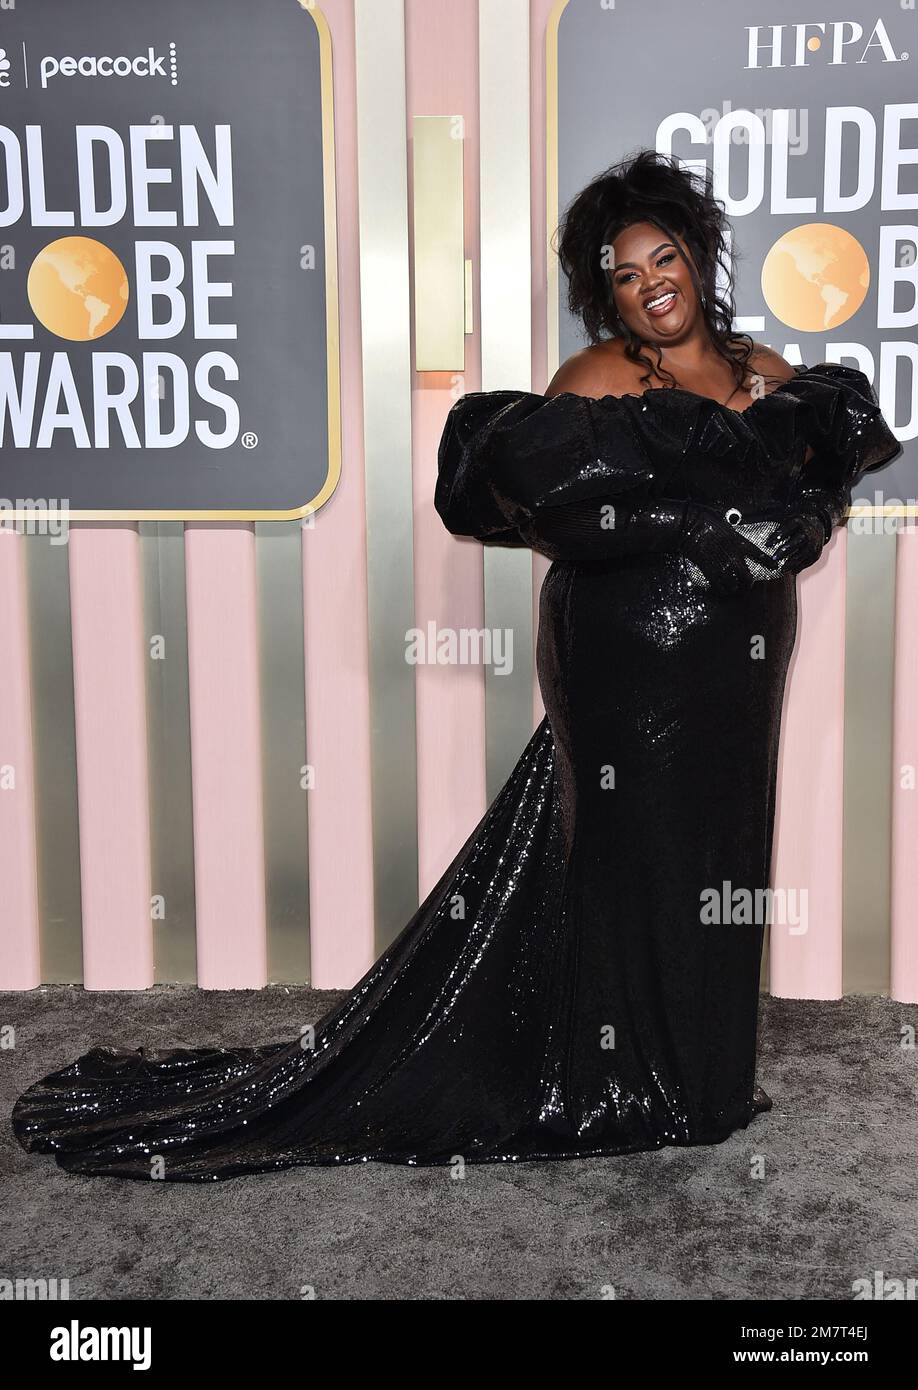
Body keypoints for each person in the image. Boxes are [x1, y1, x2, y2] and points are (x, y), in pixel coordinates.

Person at [11, 150, 900, 1182]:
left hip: (741, 654)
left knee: (724, 845)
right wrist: (691, 527)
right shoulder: (594, 382)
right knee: (628, 854)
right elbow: (555, 518)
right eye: (625, 274)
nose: (651, 284)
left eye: (664, 258)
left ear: (697, 256)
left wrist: (801, 517)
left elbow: (818, 478)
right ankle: (619, 1078)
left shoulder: (769, 373)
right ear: (605, 294)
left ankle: (701, 1079)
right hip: (626, 655)